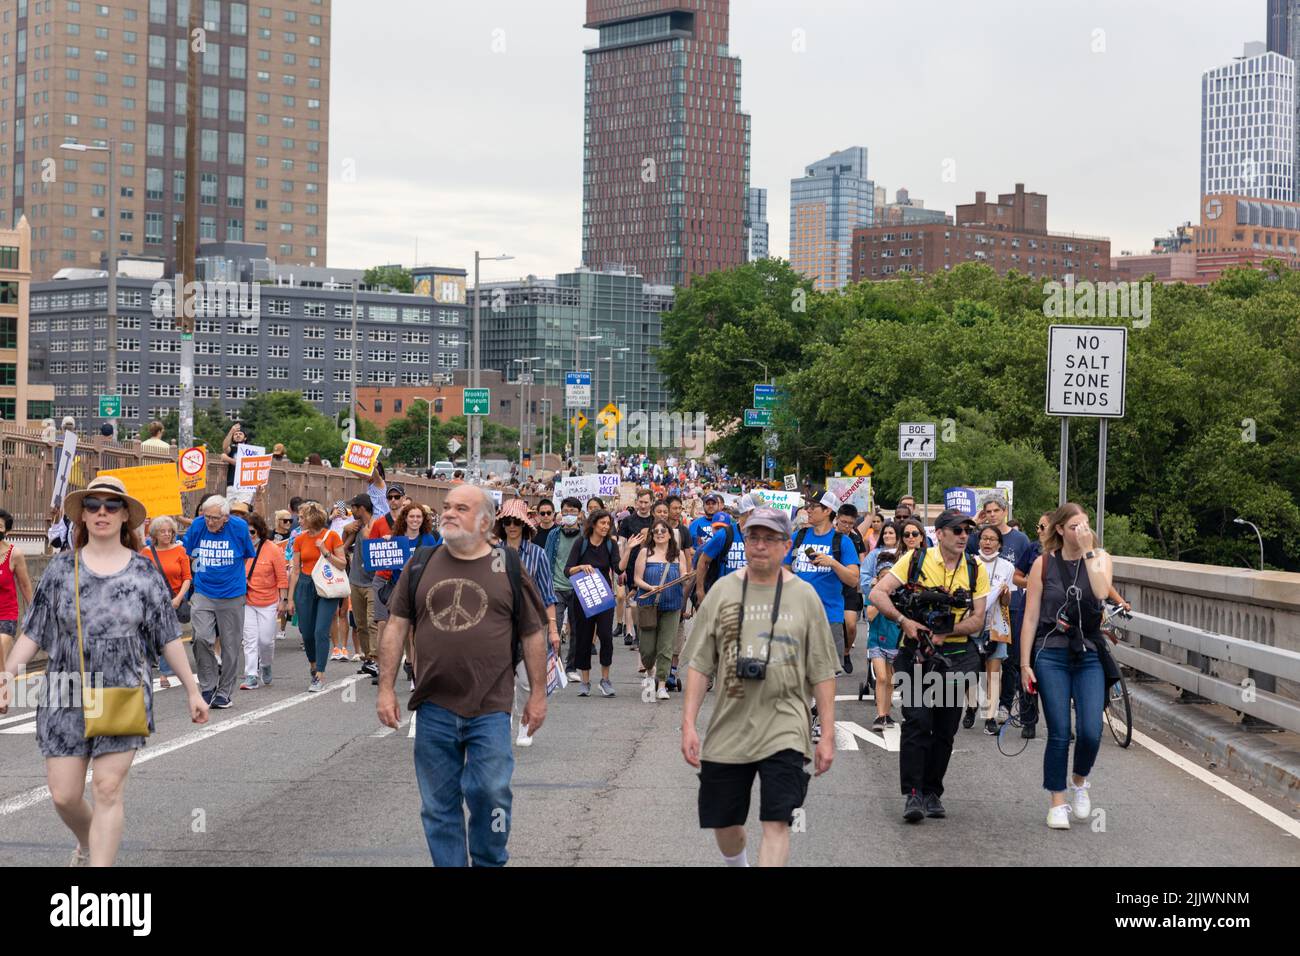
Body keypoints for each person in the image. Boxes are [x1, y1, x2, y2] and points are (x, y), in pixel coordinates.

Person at [0, 475, 208, 867]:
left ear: (125, 515)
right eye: (93, 505)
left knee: (108, 788)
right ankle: (88, 841)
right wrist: (7, 676)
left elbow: (166, 636)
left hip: (123, 689)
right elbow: (34, 633)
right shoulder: (61, 571)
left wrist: (191, 691)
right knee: (63, 794)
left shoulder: (144, 574)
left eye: (111, 506)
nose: (101, 512)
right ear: (82, 516)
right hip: (65, 690)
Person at [376, 485, 548, 867]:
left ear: (486, 522)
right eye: (447, 507)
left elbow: (533, 633)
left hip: (490, 706)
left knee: (490, 791)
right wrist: (385, 688)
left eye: (462, 508)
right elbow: (396, 625)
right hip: (433, 705)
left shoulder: (509, 566)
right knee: (439, 805)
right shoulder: (422, 562)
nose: (449, 513)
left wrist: (538, 694)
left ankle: (489, 859)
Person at [680, 507, 837, 867]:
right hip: (729, 725)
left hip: (786, 725)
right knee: (724, 820)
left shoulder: (804, 597)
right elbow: (701, 665)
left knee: (776, 821)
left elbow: (822, 672)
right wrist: (688, 723)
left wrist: (827, 734)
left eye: (770, 539)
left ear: (786, 546)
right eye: (753, 537)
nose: (760, 545)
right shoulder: (723, 591)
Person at [868, 509, 989, 823]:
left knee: (945, 729)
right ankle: (913, 794)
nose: (964, 536)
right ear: (942, 534)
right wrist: (904, 620)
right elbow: (878, 593)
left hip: (956, 658)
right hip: (917, 654)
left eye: (967, 531)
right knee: (917, 722)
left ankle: (933, 791)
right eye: (958, 530)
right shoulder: (915, 560)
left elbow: (977, 620)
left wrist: (945, 632)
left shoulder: (976, 568)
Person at [1019, 503, 1114, 830]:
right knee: (1060, 730)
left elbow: (1102, 593)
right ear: (1059, 529)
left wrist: (1088, 552)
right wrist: (1023, 663)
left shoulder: (1100, 558)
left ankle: (1079, 781)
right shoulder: (1042, 564)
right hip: (1051, 651)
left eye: (1086, 525)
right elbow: (1031, 617)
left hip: (1088, 651)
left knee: (1091, 730)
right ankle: (1057, 801)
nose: (1082, 531)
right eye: (1075, 526)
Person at [495, 499, 560, 746]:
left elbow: (547, 594)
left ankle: (524, 722)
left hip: (531, 625)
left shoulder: (537, 554)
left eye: (516, 522)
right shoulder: (495, 552)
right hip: (500, 625)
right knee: (500, 679)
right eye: (507, 522)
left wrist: (553, 630)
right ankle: (504, 721)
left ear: (524, 524)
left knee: (524, 680)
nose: (511, 526)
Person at [183, 494, 257, 709]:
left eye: (215, 518)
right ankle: (207, 687)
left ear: (225, 517)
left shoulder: (239, 527)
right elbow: (190, 553)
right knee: (201, 638)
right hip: (204, 591)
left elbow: (245, 555)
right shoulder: (198, 526)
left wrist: (228, 574)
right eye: (207, 517)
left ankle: (224, 692)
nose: (210, 522)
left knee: (231, 645)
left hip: (232, 594)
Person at [783, 490, 860, 678]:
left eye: (813, 506)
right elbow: (784, 570)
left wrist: (832, 562)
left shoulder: (842, 541)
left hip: (829, 614)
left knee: (826, 674)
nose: (808, 510)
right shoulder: (798, 536)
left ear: (827, 511)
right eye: (807, 506)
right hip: (797, 614)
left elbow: (853, 579)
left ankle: (818, 706)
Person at [286, 501, 347, 693]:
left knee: (321, 631)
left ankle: (320, 674)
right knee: (306, 632)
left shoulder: (332, 536)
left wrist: (325, 551)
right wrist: (289, 599)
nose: (299, 520)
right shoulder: (299, 539)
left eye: (302, 517)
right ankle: (313, 665)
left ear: (312, 518)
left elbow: (342, 564)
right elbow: (295, 570)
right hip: (305, 584)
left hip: (327, 586)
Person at [564, 508, 623, 698]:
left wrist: (628, 550)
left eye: (608, 524)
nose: (606, 527)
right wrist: (581, 567)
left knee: (606, 636)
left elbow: (618, 568)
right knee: (584, 637)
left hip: (604, 597)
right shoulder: (581, 543)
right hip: (583, 598)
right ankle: (585, 681)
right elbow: (567, 570)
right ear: (594, 524)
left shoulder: (610, 545)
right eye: (602, 523)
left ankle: (605, 680)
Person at [964, 524, 1016, 735]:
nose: (987, 543)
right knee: (970, 671)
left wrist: (1004, 594)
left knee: (993, 673)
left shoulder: (1007, 567)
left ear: (999, 544)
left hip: (995, 625)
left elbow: (1006, 601)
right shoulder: (969, 563)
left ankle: (990, 716)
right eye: (984, 538)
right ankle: (971, 705)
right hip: (971, 623)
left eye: (992, 539)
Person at [1004, 511, 1052, 737]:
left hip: (1056, 617)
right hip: (1031, 612)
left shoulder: (1068, 554)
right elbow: (1016, 576)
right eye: (1038, 527)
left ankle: (1058, 722)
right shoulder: (1033, 549)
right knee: (1026, 664)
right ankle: (1028, 720)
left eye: (1043, 527)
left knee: (1055, 671)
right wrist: (1034, 584)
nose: (1039, 531)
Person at [633, 518, 691, 700]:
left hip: (672, 604)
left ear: (669, 535)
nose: (659, 533)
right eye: (656, 531)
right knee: (647, 649)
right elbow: (637, 578)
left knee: (666, 646)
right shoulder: (645, 552)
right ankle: (650, 671)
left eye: (663, 531)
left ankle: (662, 684)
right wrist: (649, 588)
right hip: (648, 605)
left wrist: (686, 578)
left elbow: (684, 577)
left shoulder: (678, 554)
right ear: (652, 534)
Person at [140, 515, 191, 689]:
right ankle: (146, 668)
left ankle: (164, 673)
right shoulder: (146, 553)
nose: (167, 534)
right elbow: (140, 577)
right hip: (151, 601)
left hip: (173, 601)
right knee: (150, 636)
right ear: (155, 534)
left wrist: (178, 599)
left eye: (170, 531)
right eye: (163, 531)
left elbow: (187, 578)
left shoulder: (180, 551)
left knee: (166, 637)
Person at [240, 513, 288, 690]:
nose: (249, 536)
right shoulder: (240, 547)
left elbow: (282, 577)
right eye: (245, 533)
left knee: (266, 641)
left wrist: (283, 600)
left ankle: (266, 664)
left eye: (252, 532)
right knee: (250, 639)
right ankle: (251, 674)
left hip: (268, 601)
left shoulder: (273, 549)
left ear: (260, 531)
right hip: (247, 601)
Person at [343, 494, 383, 679]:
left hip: (373, 581)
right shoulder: (356, 526)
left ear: (361, 508)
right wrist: (346, 529)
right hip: (356, 580)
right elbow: (343, 547)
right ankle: (368, 659)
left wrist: (369, 539)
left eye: (354, 508)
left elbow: (380, 551)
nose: (351, 511)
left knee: (372, 622)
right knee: (360, 625)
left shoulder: (378, 525)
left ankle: (376, 660)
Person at [547, 497, 586, 681]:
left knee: (576, 629)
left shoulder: (584, 536)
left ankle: (571, 667)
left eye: (573, 512)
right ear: (560, 513)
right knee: (554, 627)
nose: (569, 515)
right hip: (556, 587)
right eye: (566, 511)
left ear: (579, 514)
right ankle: (556, 666)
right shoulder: (553, 535)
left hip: (578, 587)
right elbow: (547, 560)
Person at [863, 550, 901, 729]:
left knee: (891, 680)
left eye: (890, 577)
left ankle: (886, 714)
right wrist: (880, 594)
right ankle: (879, 716)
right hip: (876, 640)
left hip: (894, 641)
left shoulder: (900, 596)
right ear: (878, 578)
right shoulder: (874, 594)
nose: (887, 581)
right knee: (882, 678)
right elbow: (869, 616)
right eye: (883, 577)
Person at [835, 503, 869, 674]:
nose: (847, 526)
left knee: (851, 625)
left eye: (850, 523)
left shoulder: (856, 539)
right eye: (843, 522)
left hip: (850, 587)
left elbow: (862, 562)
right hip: (832, 586)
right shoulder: (830, 536)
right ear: (837, 519)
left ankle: (846, 652)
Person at [0, 509, 34, 661]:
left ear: (6, 531)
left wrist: (35, 614)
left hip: (6, 617)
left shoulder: (15, 554)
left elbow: (25, 586)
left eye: (0, 526)